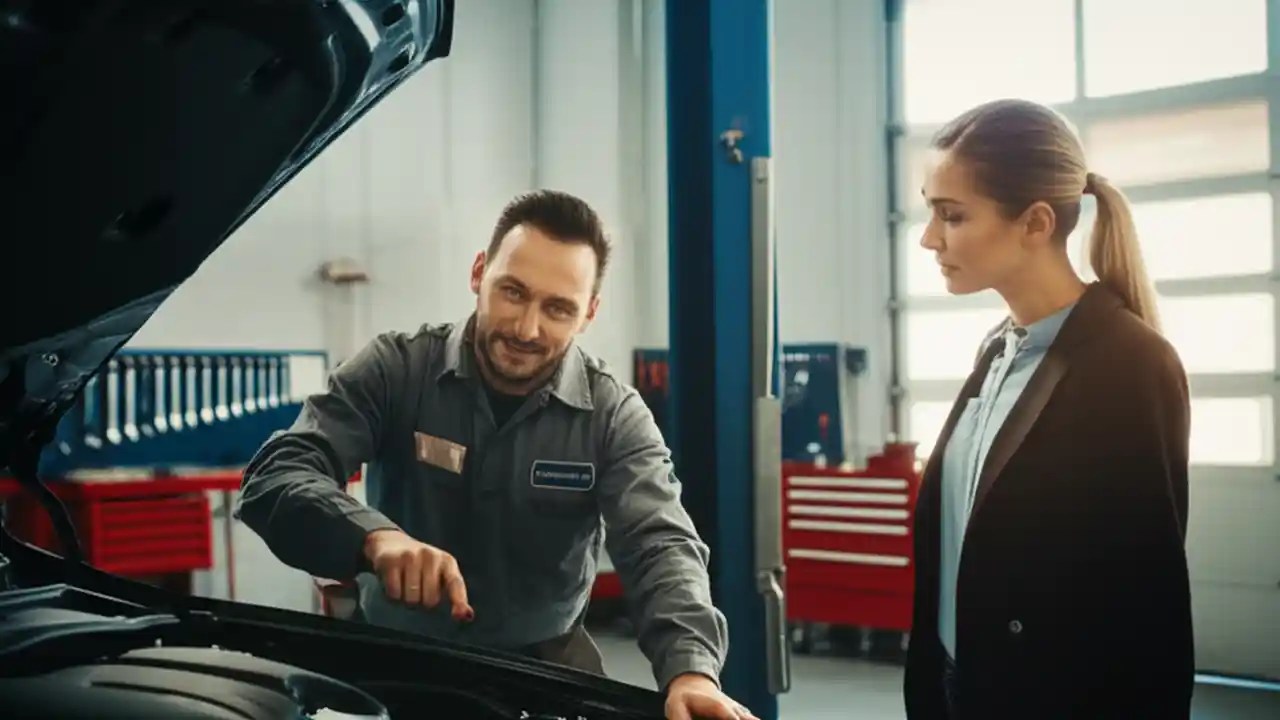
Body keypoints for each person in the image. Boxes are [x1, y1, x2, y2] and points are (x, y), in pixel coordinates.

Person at [237, 190, 757, 720]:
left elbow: (660, 543)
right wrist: (373, 538)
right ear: (479, 272)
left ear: (589, 314)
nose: (526, 329)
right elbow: (276, 474)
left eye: (558, 309)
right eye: (513, 292)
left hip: (544, 673)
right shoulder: (396, 370)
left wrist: (691, 670)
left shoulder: (612, 415)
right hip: (393, 665)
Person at [902, 99, 1193, 719]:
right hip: (960, 690)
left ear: (1035, 223)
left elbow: (1151, 611)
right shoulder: (997, 349)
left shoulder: (1130, 363)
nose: (929, 239)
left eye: (951, 216)